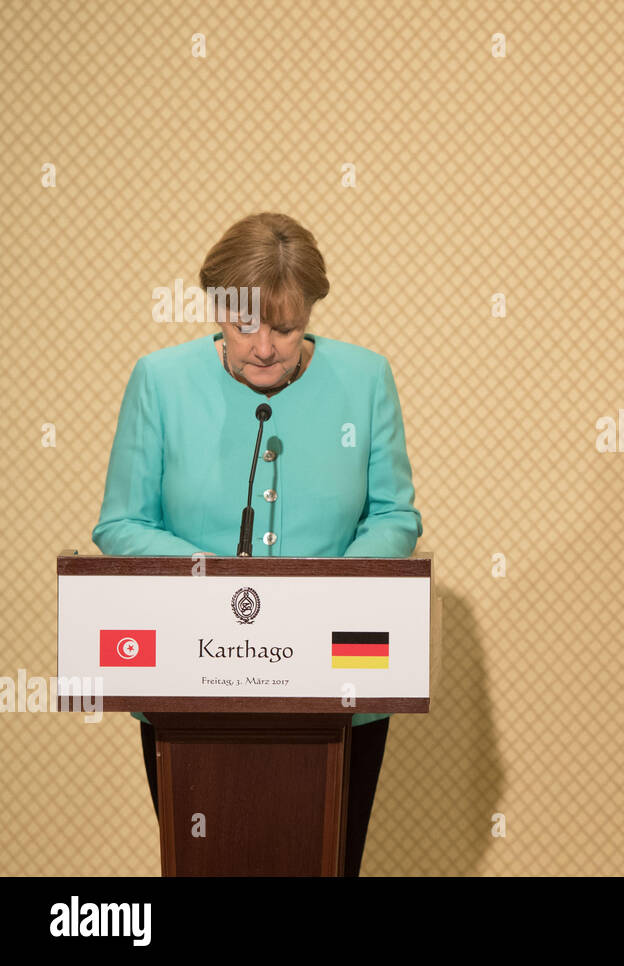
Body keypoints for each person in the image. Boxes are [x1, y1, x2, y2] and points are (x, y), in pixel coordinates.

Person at [92, 212, 422, 876]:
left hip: (340, 681)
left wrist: (322, 597)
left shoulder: (365, 379)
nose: (265, 347)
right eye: (244, 324)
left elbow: (394, 517)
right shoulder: (160, 380)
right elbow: (120, 524)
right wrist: (209, 582)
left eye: (287, 327)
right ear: (217, 307)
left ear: (311, 313)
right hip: (193, 674)